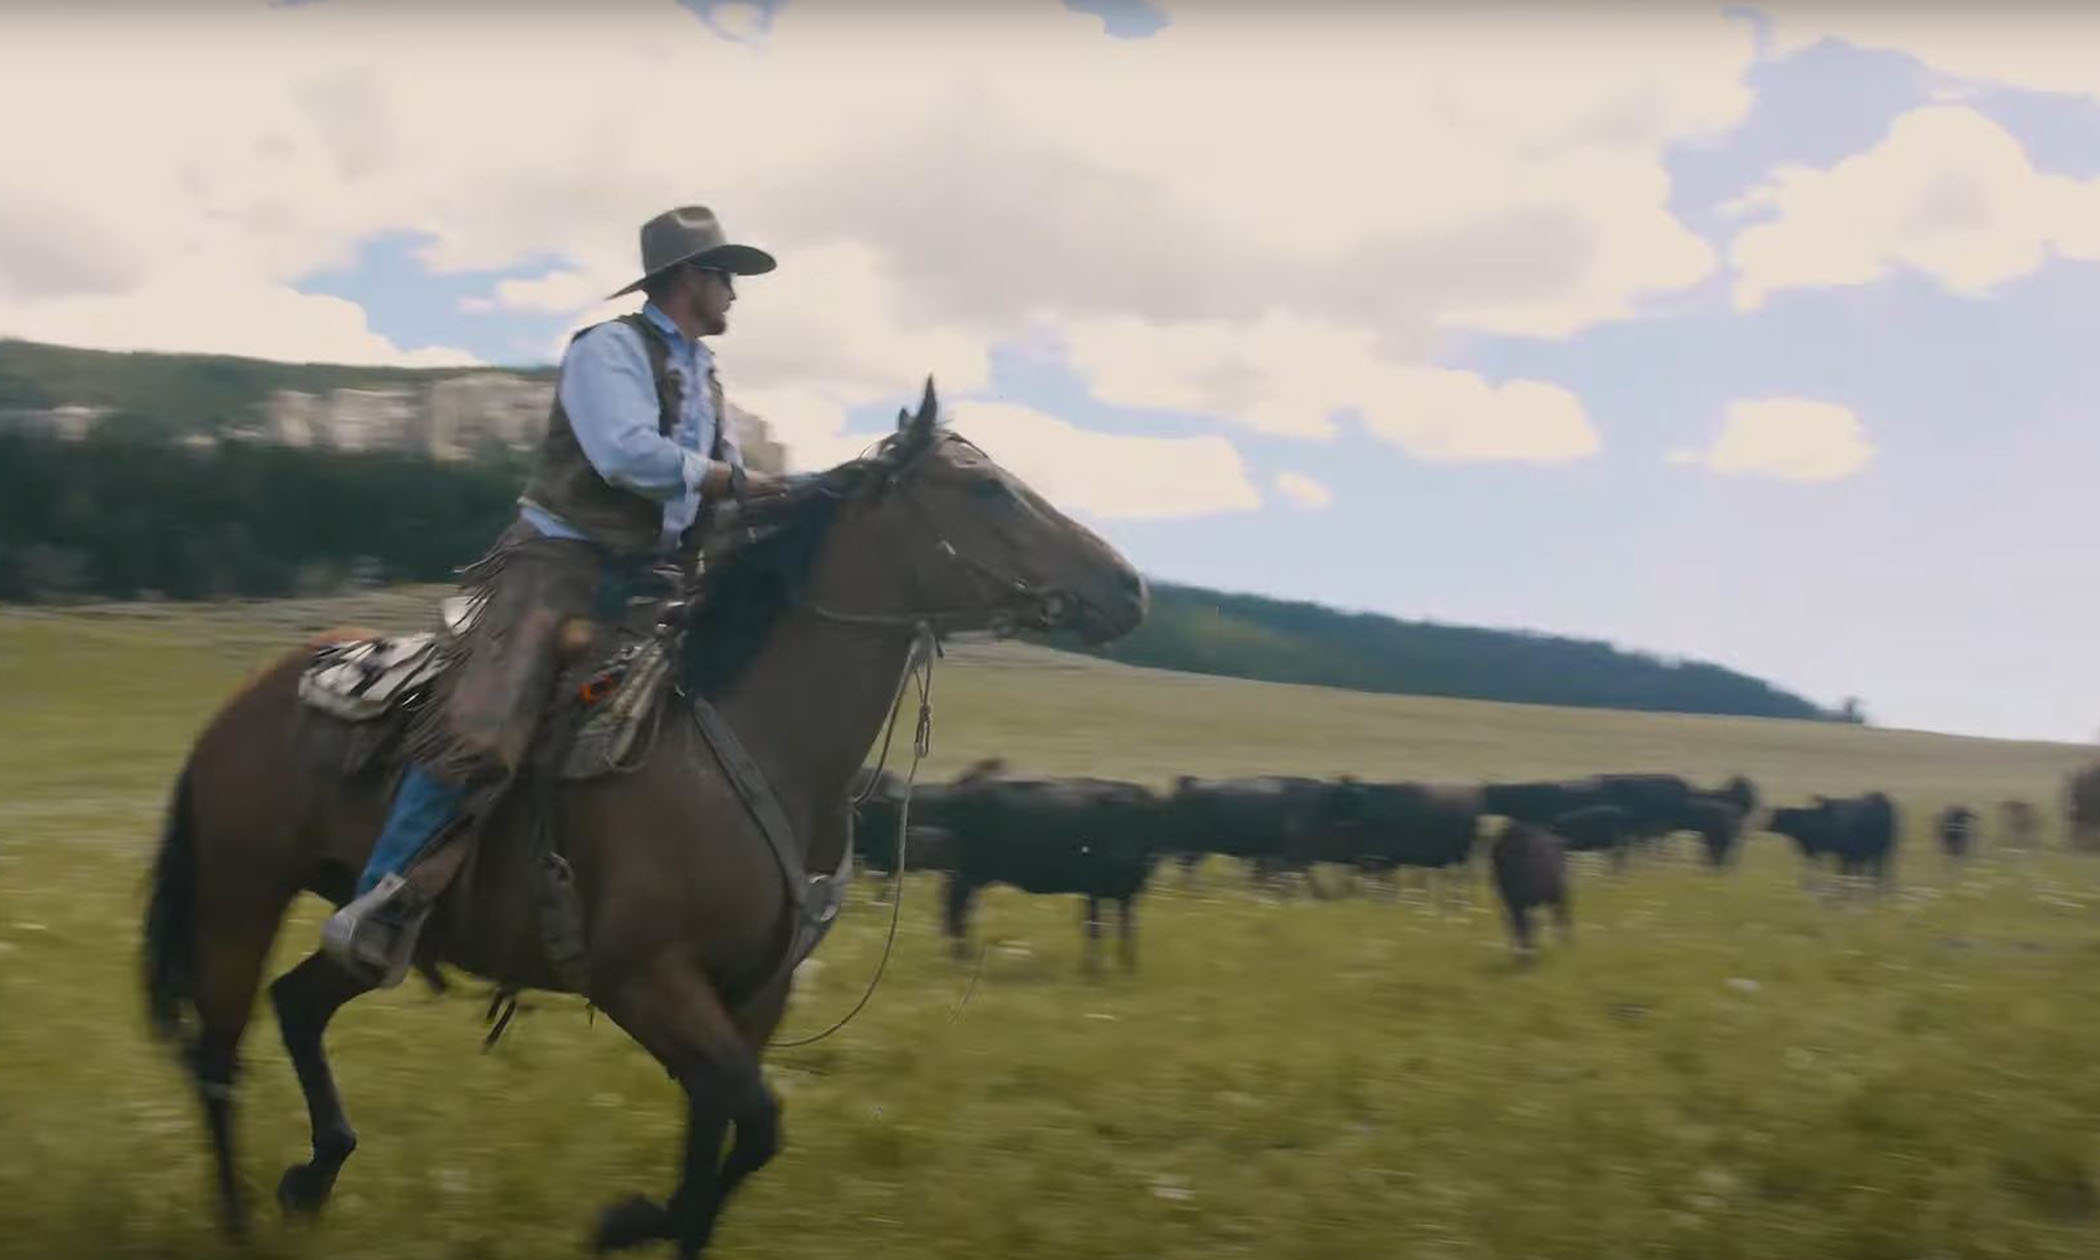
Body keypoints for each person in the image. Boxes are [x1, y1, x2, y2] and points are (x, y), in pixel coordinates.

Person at [323, 204, 787, 987]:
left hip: (656, 574)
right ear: (687, 279)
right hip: (558, 565)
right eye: (724, 275)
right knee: (486, 716)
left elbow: (724, 483)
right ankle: (382, 899)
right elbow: (624, 456)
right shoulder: (608, 349)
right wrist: (739, 482)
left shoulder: (706, 375)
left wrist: (783, 503)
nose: (735, 293)